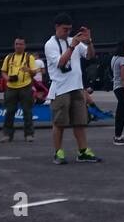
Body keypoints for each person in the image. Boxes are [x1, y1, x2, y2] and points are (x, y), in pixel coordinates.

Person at [43, 13, 101, 165]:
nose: (67, 32)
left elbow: (90, 57)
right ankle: (58, 152)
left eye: (69, 29)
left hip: (77, 87)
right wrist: (72, 45)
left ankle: (83, 151)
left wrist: (89, 42)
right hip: (60, 88)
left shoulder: (72, 40)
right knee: (59, 123)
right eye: (64, 29)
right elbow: (61, 63)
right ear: (56, 27)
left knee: (80, 122)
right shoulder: (50, 44)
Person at [0, 37, 38, 143]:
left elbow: (34, 73)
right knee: (9, 111)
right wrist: (7, 78)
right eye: (17, 44)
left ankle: (29, 134)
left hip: (25, 86)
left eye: (21, 44)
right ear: (14, 45)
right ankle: (7, 134)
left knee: (27, 111)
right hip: (11, 88)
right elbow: (3, 71)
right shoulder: (9, 57)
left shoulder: (29, 57)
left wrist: (28, 70)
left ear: (24, 46)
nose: (18, 46)